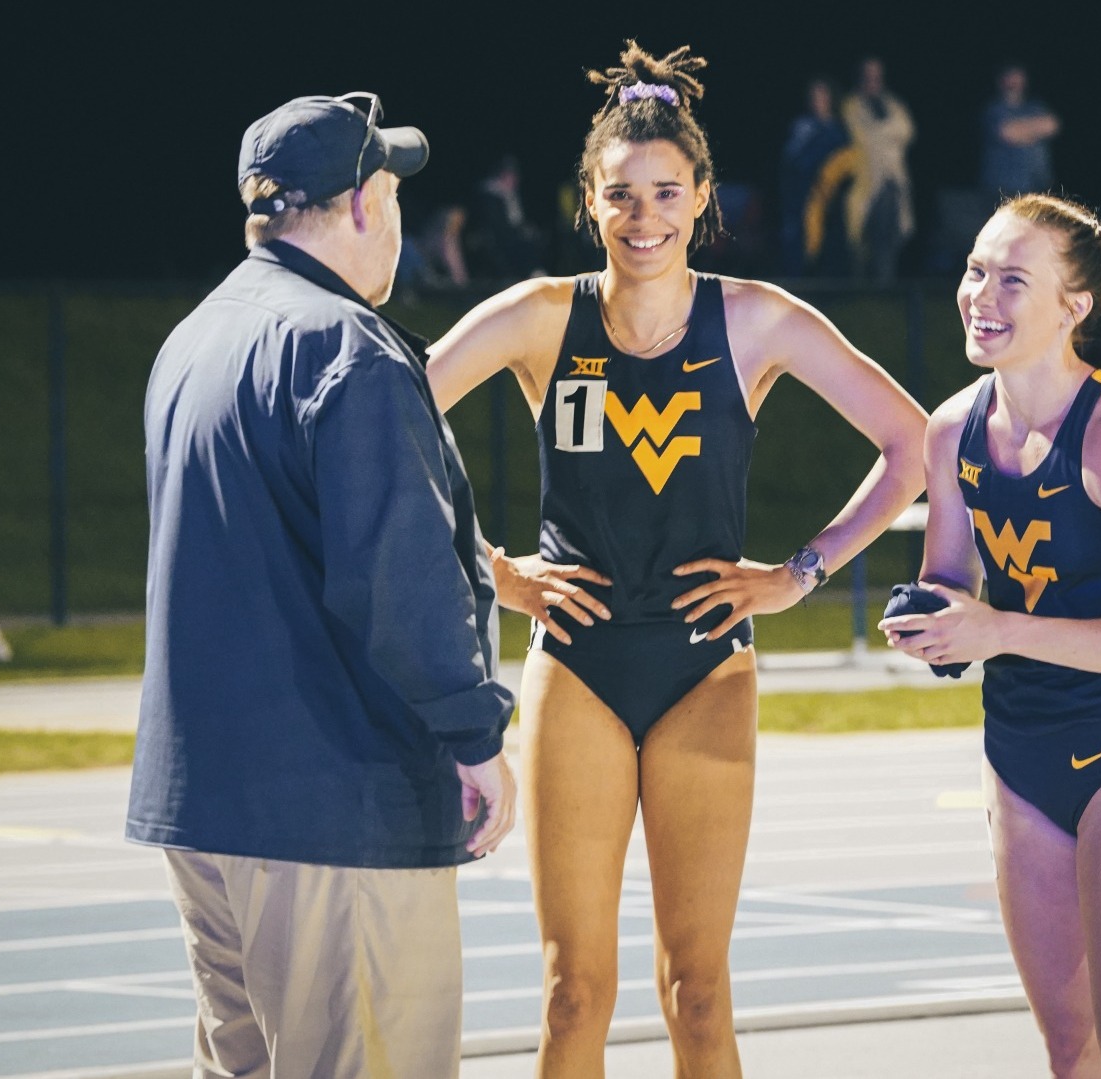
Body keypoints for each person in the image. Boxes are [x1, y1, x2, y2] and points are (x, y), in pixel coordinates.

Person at [425, 43, 927, 1077]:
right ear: (589, 199)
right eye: (620, 195)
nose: (642, 216)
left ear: (701, 196)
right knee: (574, 997)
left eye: (664, 192)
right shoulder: (537, 316)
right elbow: (387, 430)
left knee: (696, 991)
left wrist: (799, 572)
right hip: (578, 667)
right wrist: (493, 569)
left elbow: (910, 444)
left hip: (706, 668)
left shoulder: (754, 320)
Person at [126, 91, 517, 1079]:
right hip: (335, 803)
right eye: (390, 192)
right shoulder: (347, 348)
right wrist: (473, 736)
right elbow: (400, 572)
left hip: (207, 802)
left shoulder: (193, 341)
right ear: (357, 203)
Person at [879, 194, 1101, 1079]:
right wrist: (934, 618)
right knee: (1072, 1053)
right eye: (975, 269)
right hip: (1019, 748)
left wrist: (995, 627)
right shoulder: (951, 429)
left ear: (1074, 307)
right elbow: (950, 574)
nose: (980, 293)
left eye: (1012, 279)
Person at [841, 56, 916, 283]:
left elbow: (907, 130)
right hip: (864, 182)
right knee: (861, 239)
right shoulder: (852, 105)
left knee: (891, 238)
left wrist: (880, 133)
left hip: (894, 182)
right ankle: (861, 289)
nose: (873, 79)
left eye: (877, 74)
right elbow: (862, 137)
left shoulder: (892, 104)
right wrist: (888, 134)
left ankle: (884, 288)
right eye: (868, 74)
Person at [779, 76, 848, 276]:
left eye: (822, 94)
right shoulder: (801, 127)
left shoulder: (838, 130)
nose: (817, 99)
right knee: (795, 239)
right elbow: (789, 159)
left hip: (826, 197)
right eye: (814, 95)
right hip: (798, 194)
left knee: (825, 242)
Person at [979, 65, 1059, 206]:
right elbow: (1008, 133)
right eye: (1010, 77)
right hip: (1003, 191)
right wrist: (1034, 130)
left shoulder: (1035, 106)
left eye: (1018, 77)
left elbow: (1052, 125)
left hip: (1037, 187)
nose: (1014, 82)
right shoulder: (994, 109)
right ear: (1001, 81)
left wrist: (1023, 130)